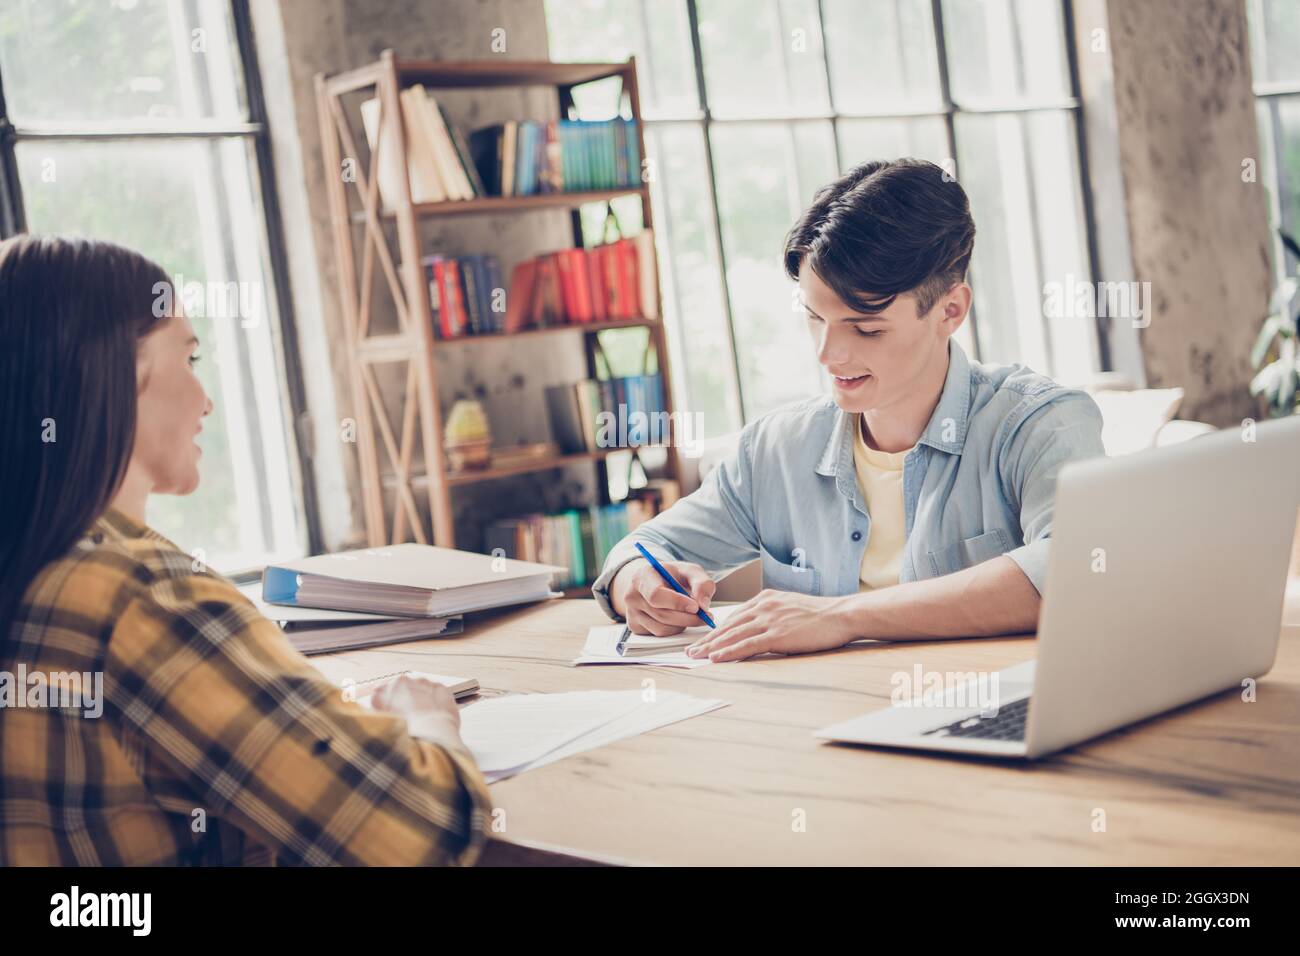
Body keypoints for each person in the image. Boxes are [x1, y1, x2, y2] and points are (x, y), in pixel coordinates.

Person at [0, 234, 489, 865]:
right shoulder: (143, 600)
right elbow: (423, 832)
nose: (205, 402)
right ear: (118, 374)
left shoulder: (34, 573)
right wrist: (429, 719)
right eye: (191, 359)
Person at [592, 158, 1106, 662]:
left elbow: (1074, 566)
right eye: (815, 318)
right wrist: (636, 582)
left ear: (950, 310)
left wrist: (843, 616)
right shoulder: (777, 450)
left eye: (866, 328)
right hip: (818, 720)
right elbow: (643, 547)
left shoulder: (1039, 424)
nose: (827, 353)